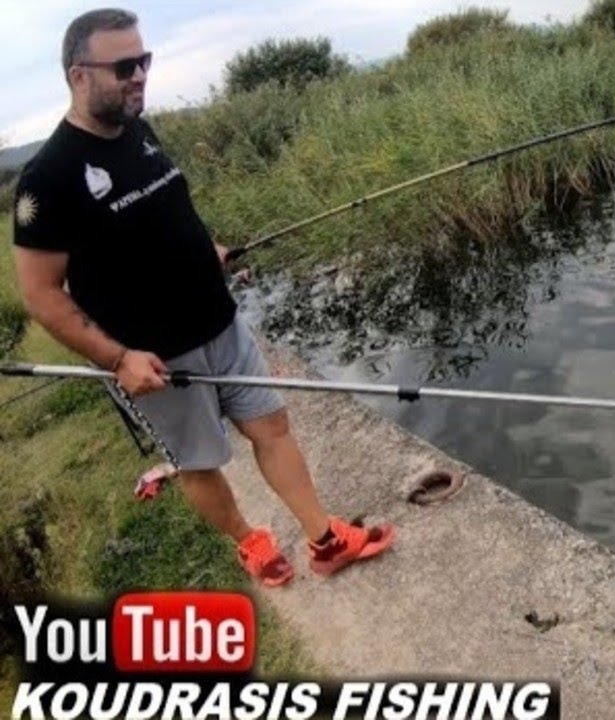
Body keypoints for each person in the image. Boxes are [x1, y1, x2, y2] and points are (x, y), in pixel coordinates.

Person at [10, 8, 393, 587]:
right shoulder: (47, 178)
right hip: (157, 362)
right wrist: (118, 360)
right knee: (200, 463)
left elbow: (169, 208)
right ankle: (250, 540)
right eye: (123, 66)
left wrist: (206, 247)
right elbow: (42, 296)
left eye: (144, 61)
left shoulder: (140, 129)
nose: (139, 75)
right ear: (78, 75)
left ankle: (325, 538)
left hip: (222, 323)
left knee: (273, 427)